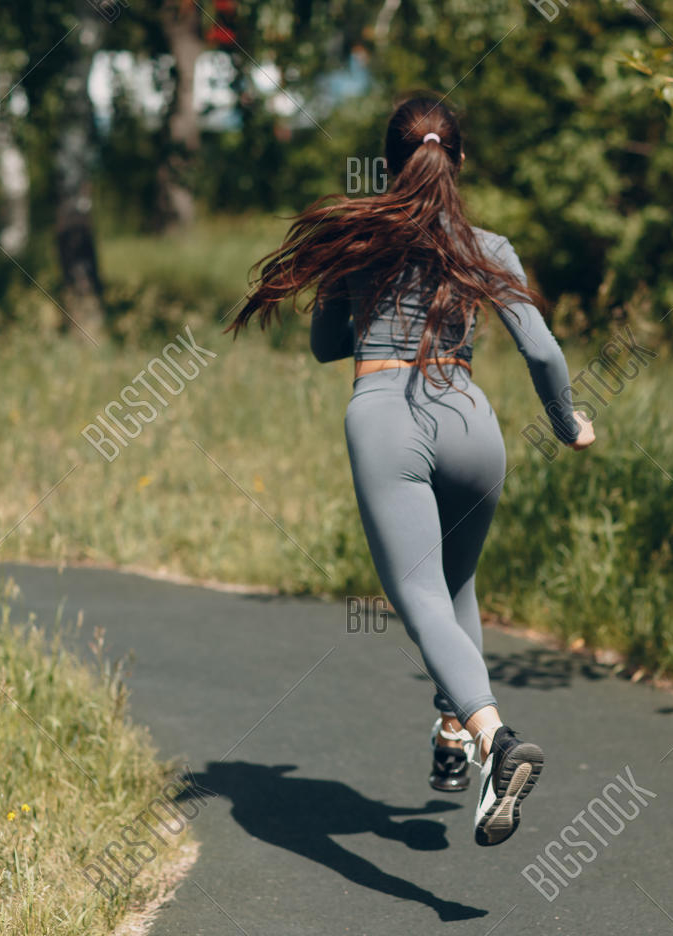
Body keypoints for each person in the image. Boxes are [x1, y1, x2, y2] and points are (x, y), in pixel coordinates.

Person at [231, 95, 595, 846]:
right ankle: (453, 732)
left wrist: (356, 292)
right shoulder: (488, 245)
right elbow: (544, 353)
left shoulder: (356, 237)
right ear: (458, 161)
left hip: (385, 416)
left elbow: (330, 346)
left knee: (420, 595)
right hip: (472, 422)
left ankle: (496, 741)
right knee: (455, 589)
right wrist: (568, 423)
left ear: (388, 163)